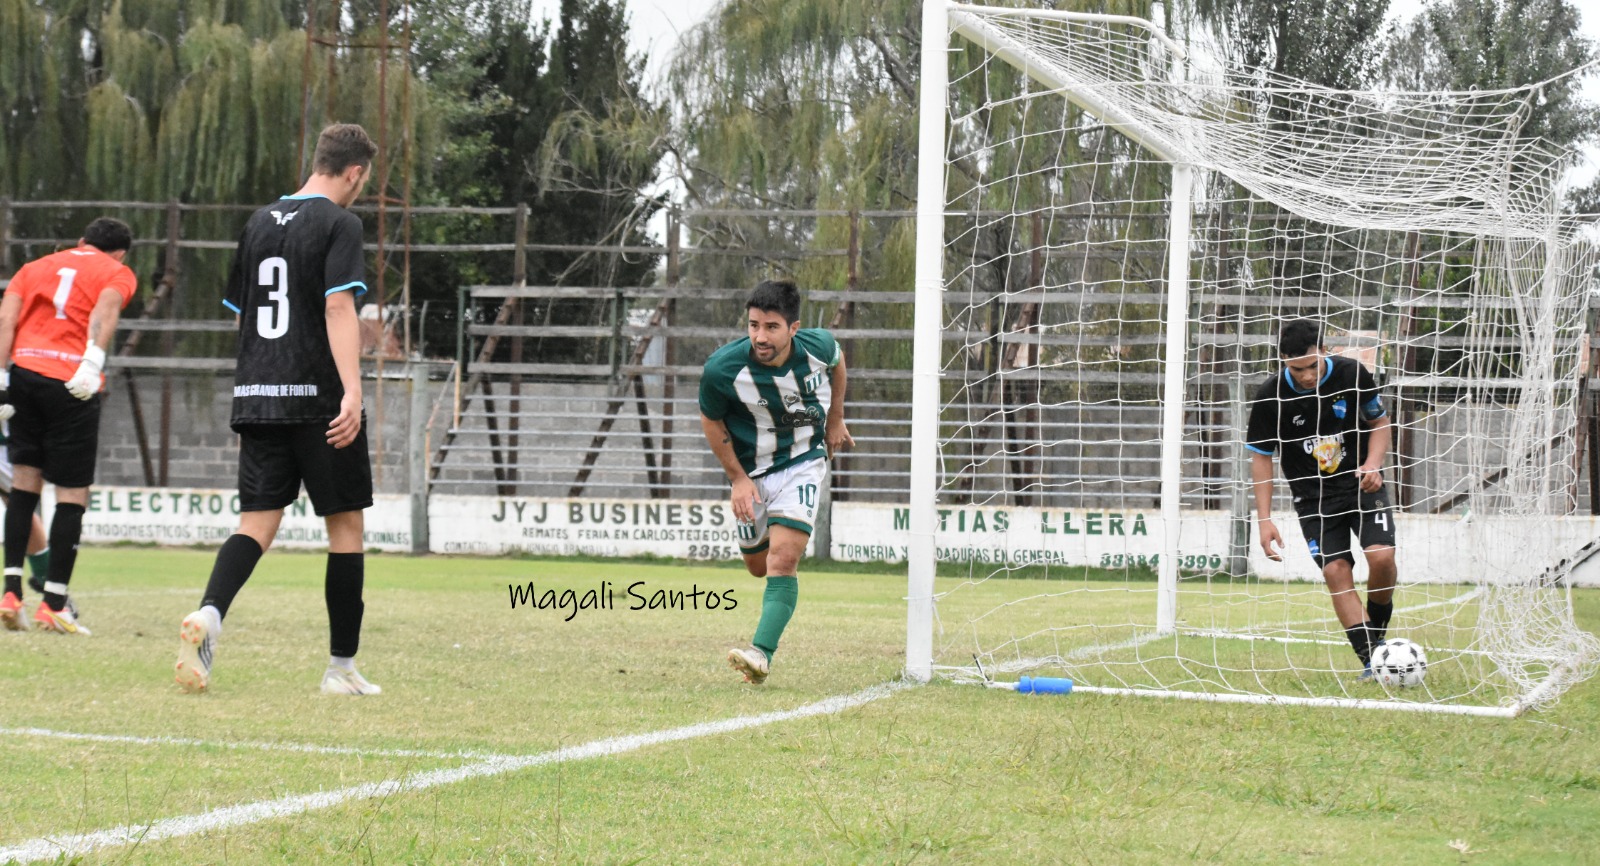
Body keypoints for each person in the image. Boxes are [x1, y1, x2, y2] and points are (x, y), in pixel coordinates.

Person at [175, 123, 380, 695]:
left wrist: (259, 382)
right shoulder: (342, 224)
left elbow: (243, 318)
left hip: (259, 398)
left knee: (257, 524)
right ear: (354, 172)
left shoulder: (258, 222)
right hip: (319, 401)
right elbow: (339, 307)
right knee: (345, 526)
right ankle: (341, 668)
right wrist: (352, 392)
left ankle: (211, 614)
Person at [699, 279, 853, 684]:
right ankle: (772, 590)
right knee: (756, 566)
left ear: (793, 328)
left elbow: (838, 362)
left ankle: (760, 654)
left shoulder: (817, 347)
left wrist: (835, 418)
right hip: (752, 473)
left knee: (782, 560)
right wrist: (737, 479)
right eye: (753, 325)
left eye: (771, 327)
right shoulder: (722, 369)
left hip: (803, 460)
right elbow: (710, 420)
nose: (760, 336)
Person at [0, 217, 137, 634]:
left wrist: (3, 377)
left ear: (80, 241)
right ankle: (55, 603)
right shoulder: (116, 271)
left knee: (24, 486)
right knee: (72, 494)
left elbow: (6, 320)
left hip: (22, 375)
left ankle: (10, 593)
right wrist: (92, 358)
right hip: (71, 381)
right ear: (121, 253)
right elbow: (105, 309)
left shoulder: (34, 267)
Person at [1246, 319, 1397, 677]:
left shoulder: (1351, 374)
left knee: (1382, 559)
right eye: (1297, 369)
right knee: (1335, 570)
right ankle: (1373, 662)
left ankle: (1376, 640)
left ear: (1324, 352)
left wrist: (1373, 464)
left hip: (1362, 486)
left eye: (1313, 366)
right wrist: (1264, 520)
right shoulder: (1270, 397)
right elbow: (1261, 457)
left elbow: (1379, 422)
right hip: (1313, 500)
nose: (1307, 376)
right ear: (1284, 361)